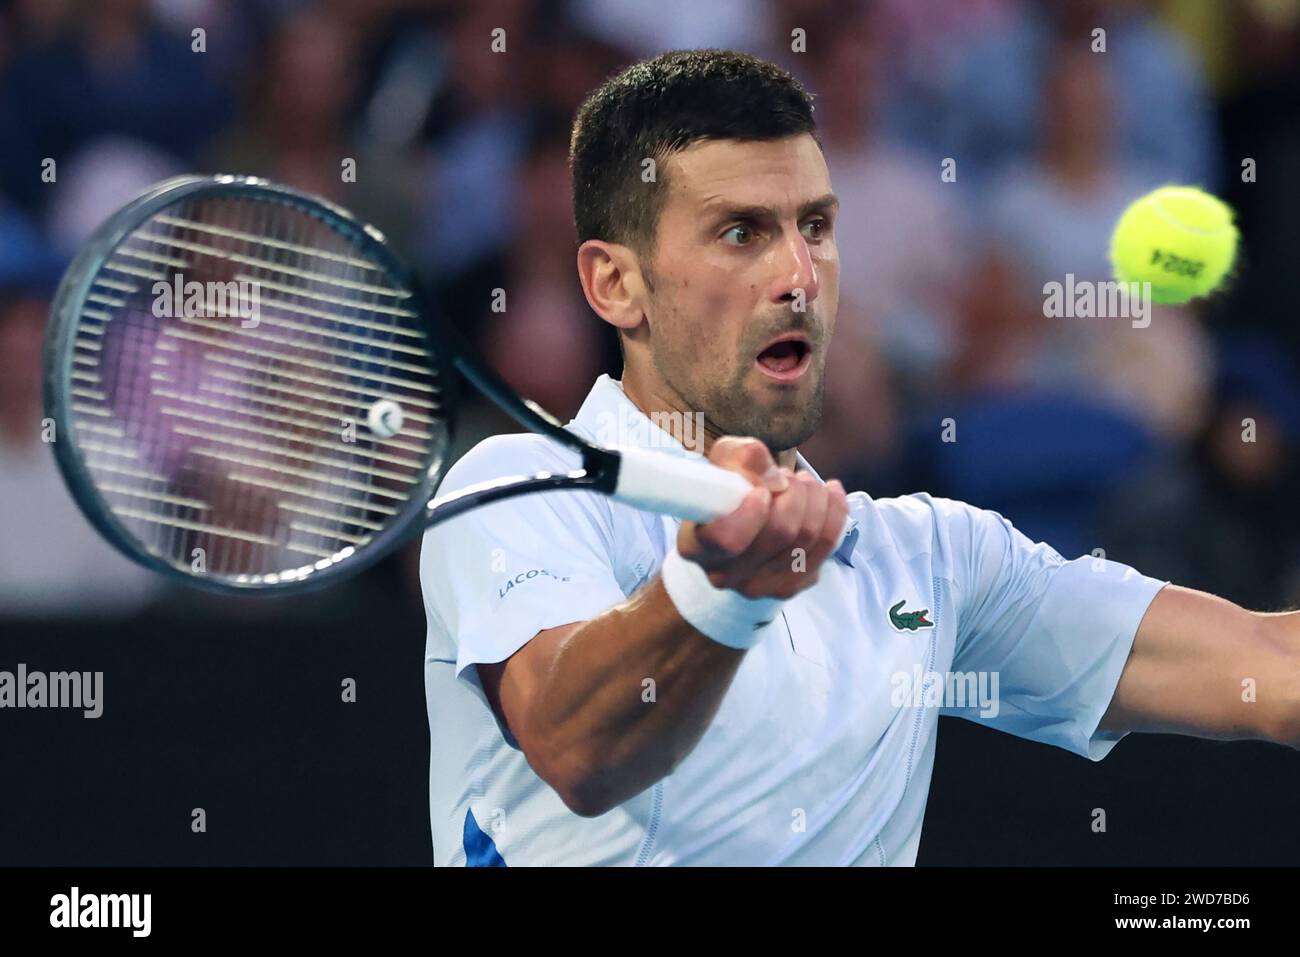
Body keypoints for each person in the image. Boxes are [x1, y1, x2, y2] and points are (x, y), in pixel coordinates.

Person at [419, 50, 1298, 866]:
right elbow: (578, 749)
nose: (798, 272)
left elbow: (1265, 663)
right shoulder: (521, 487)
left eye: (816, 226)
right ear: (617, 283)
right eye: (741, 233)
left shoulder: (931, 559)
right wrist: (716, 589)